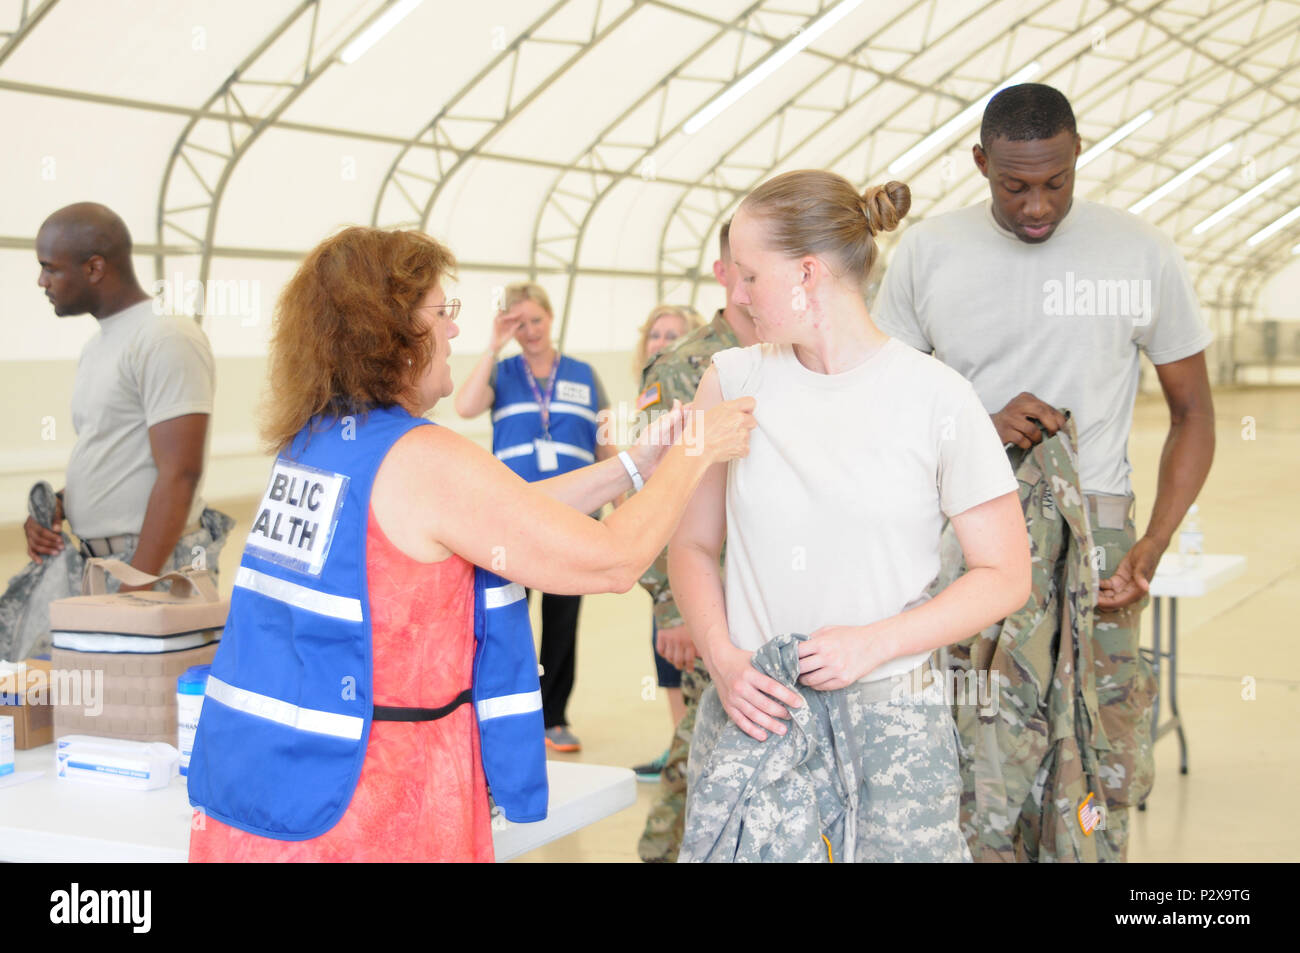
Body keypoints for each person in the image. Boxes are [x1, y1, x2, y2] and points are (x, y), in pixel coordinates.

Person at [186, 226, 756, 862]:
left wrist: (635, 467)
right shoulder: (423, 459)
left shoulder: (320, 444)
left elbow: (510, 515)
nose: (454, 330)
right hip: (372, 808)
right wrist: (697, 452)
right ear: (391, 332)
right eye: (441, 311)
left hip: (271, 788)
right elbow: (614, 559)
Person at [873, 83, 1216, 861]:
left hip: (1096, 535)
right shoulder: (929, 252)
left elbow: (1194, 411)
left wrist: (1153, 540)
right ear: (980, 163)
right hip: (970, 528)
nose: (1037, 205)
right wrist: (978, 428)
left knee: (1096, 745)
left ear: (1078, 153)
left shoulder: (1139, 251)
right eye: (1014, 184)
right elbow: (883, 407)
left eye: (1055, 182)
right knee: (977, 756)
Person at [670, 171, 1031, 863]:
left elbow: (1004, 573)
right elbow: (690, 544)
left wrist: (874, 643)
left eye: (748, 275)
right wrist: (721, 657)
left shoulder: (936, 397)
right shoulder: (733, 379)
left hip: (892, 715)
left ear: (807, 272)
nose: (735, 295)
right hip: (758, 706)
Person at [1, 203, 231, 662]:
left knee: (148, 717)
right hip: (99, 563)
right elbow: (113, 453)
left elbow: (180, 472)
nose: (41, 282)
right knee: (94, 718)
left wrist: (138, 586)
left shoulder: (166, 337)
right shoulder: (99, 345)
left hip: (153, 565)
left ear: (95, 267)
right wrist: (59, 508)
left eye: (49, 268)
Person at [632, 224, 760, 861]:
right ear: (723, 270)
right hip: (706, 599)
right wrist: (673, 608)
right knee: (697, 761)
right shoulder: (684, 366)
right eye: (747, 266)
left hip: (772, 599)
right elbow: (653, 494)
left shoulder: (792, 354)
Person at [454, 282, 619, 753]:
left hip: (574, 517)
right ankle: (505, 713)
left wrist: (623, 504)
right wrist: (492, 344)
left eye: (535, 320)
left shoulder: (584, 375)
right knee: (508, 616)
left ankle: (554, 717)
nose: (528, 331)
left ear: (551, 318)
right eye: (517, 323)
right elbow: (465, 406)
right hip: (514, 517)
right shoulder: (503, 373)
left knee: (563, 620)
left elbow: (606, 441)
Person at [626, 302, 704, 781]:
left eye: (672, 335)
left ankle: (684, 757)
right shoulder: (647, 393)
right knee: (667, 659)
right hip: (660, 554)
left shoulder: (690, 391)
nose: (661, 343)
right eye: (655, 334)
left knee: (681, 654)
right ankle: (678, 744)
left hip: (688, 553)